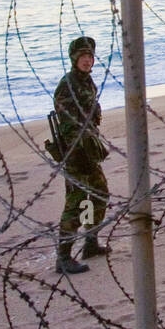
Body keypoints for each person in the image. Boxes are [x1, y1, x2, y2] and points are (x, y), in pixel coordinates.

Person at [54, 36, 109, 275]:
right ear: (75, 59)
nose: (88, 61)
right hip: (76, 152)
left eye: (90, 57)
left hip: (89, 148)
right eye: (83, 57)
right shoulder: (68, 85)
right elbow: (68, 124)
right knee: (77, 202)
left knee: (99, 195)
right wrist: (78, 150)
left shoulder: (87, 82)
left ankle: (90, 242)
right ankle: (63, 257)